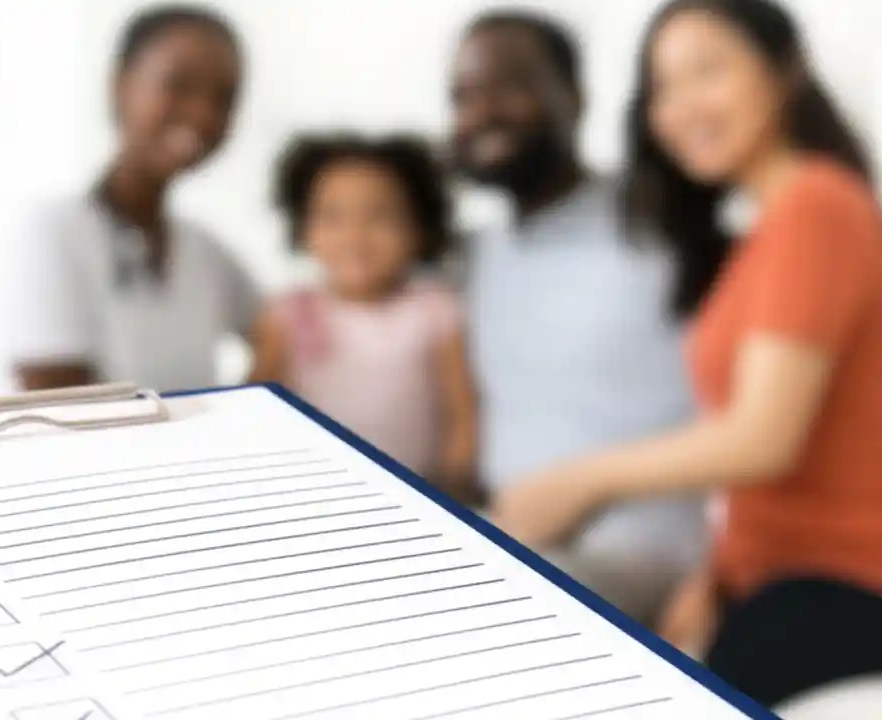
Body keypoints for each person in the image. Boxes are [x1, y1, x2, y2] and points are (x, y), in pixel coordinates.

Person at [493, 0, 882, 708]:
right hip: (774, 577)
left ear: (784, 71)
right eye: (662, 87)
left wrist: (584, 481)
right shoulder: (763, 230)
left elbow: (762, 440)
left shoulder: (818, 206)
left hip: (846, 578)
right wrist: (720, 575)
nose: (679, 107)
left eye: (707, 71)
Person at [448, 11, 705, 621]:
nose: (481, 111)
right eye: (462, 96)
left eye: (509, 85)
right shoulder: (474, 255)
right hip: (513, 538)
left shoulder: (662, 221)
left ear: (577, 97)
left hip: (643, 552)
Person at [7, 5, 257, 392]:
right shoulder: (49, 232)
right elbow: (57, 406)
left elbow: (289, 332)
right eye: (179, 85)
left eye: (223, 97)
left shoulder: (204, 252)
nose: (203, 112)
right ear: (118, 85)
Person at [248, 136, 475, 483]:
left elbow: (460, 410)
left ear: (419, 227)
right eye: (333, 216)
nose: (355, 236)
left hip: (419, 490)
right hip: (314, 486)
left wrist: (454, 485)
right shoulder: (289, 312)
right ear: (304, 228)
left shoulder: (435, 309)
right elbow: (255, 408)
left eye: (380, 216)